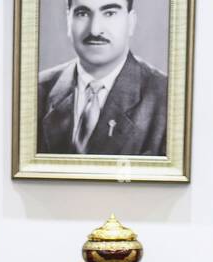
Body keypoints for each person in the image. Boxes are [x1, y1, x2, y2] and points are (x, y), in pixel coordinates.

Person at [37, 0, 168, 156]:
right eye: (82, 14)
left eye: (109, 13)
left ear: (131, 22)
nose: (95, 30)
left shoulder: (167, 99)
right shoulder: (34, 91)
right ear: (68, 21)